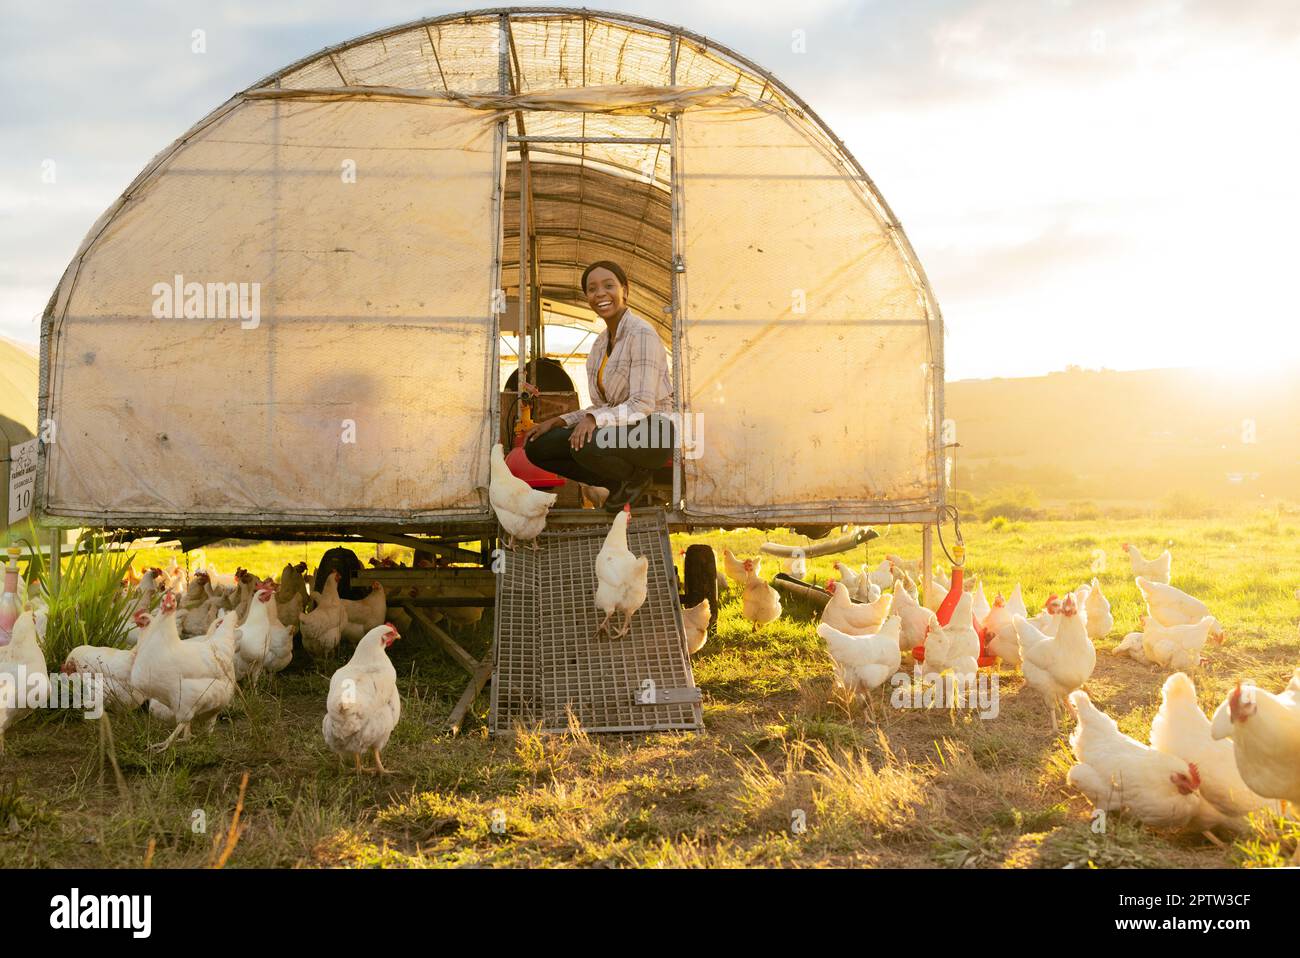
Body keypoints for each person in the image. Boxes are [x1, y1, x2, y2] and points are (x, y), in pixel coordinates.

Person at [523, 260, 675, 513]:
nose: (600, 293)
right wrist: (558, 421)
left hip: (654, 432)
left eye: (608, 286)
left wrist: (594, 419)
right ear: (587, 297)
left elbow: (642, 404)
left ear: (624, 291)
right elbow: (603, 407)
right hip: (621, 432)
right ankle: (619, 483)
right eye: (592, 289)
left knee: (588, 442)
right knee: (538, 446)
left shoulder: (642, 333)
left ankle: (638, 478)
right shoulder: (598, 345)